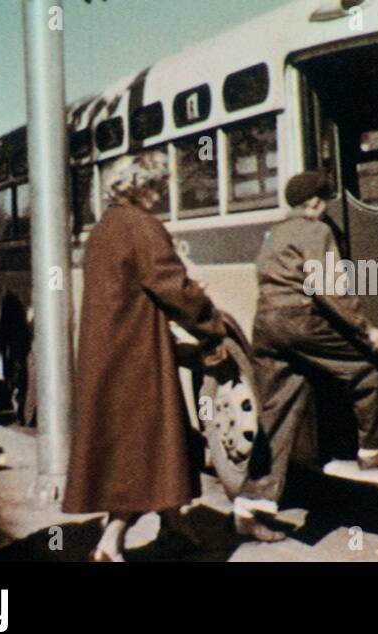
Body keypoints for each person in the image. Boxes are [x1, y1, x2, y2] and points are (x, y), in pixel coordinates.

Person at [233, 170, 378, 542]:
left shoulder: (274, 233)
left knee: (277, 414)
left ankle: (251, 506)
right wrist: (365, 330)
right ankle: (372, 449)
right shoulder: (317, 230)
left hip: (265, 325)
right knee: (368, 367)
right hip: (298, 320)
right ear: (317, 202)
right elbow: (328, 288)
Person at [61, 156, 226, 562]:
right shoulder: (143, 226)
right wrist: (210, 323)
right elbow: (169, 285)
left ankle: (174, 524)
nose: (163, 193)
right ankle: (110, 542)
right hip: (136, 356)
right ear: (143, 187)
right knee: (143, 447)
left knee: (156, 441)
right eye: (158, 186)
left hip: (108, 354)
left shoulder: (103, 229)